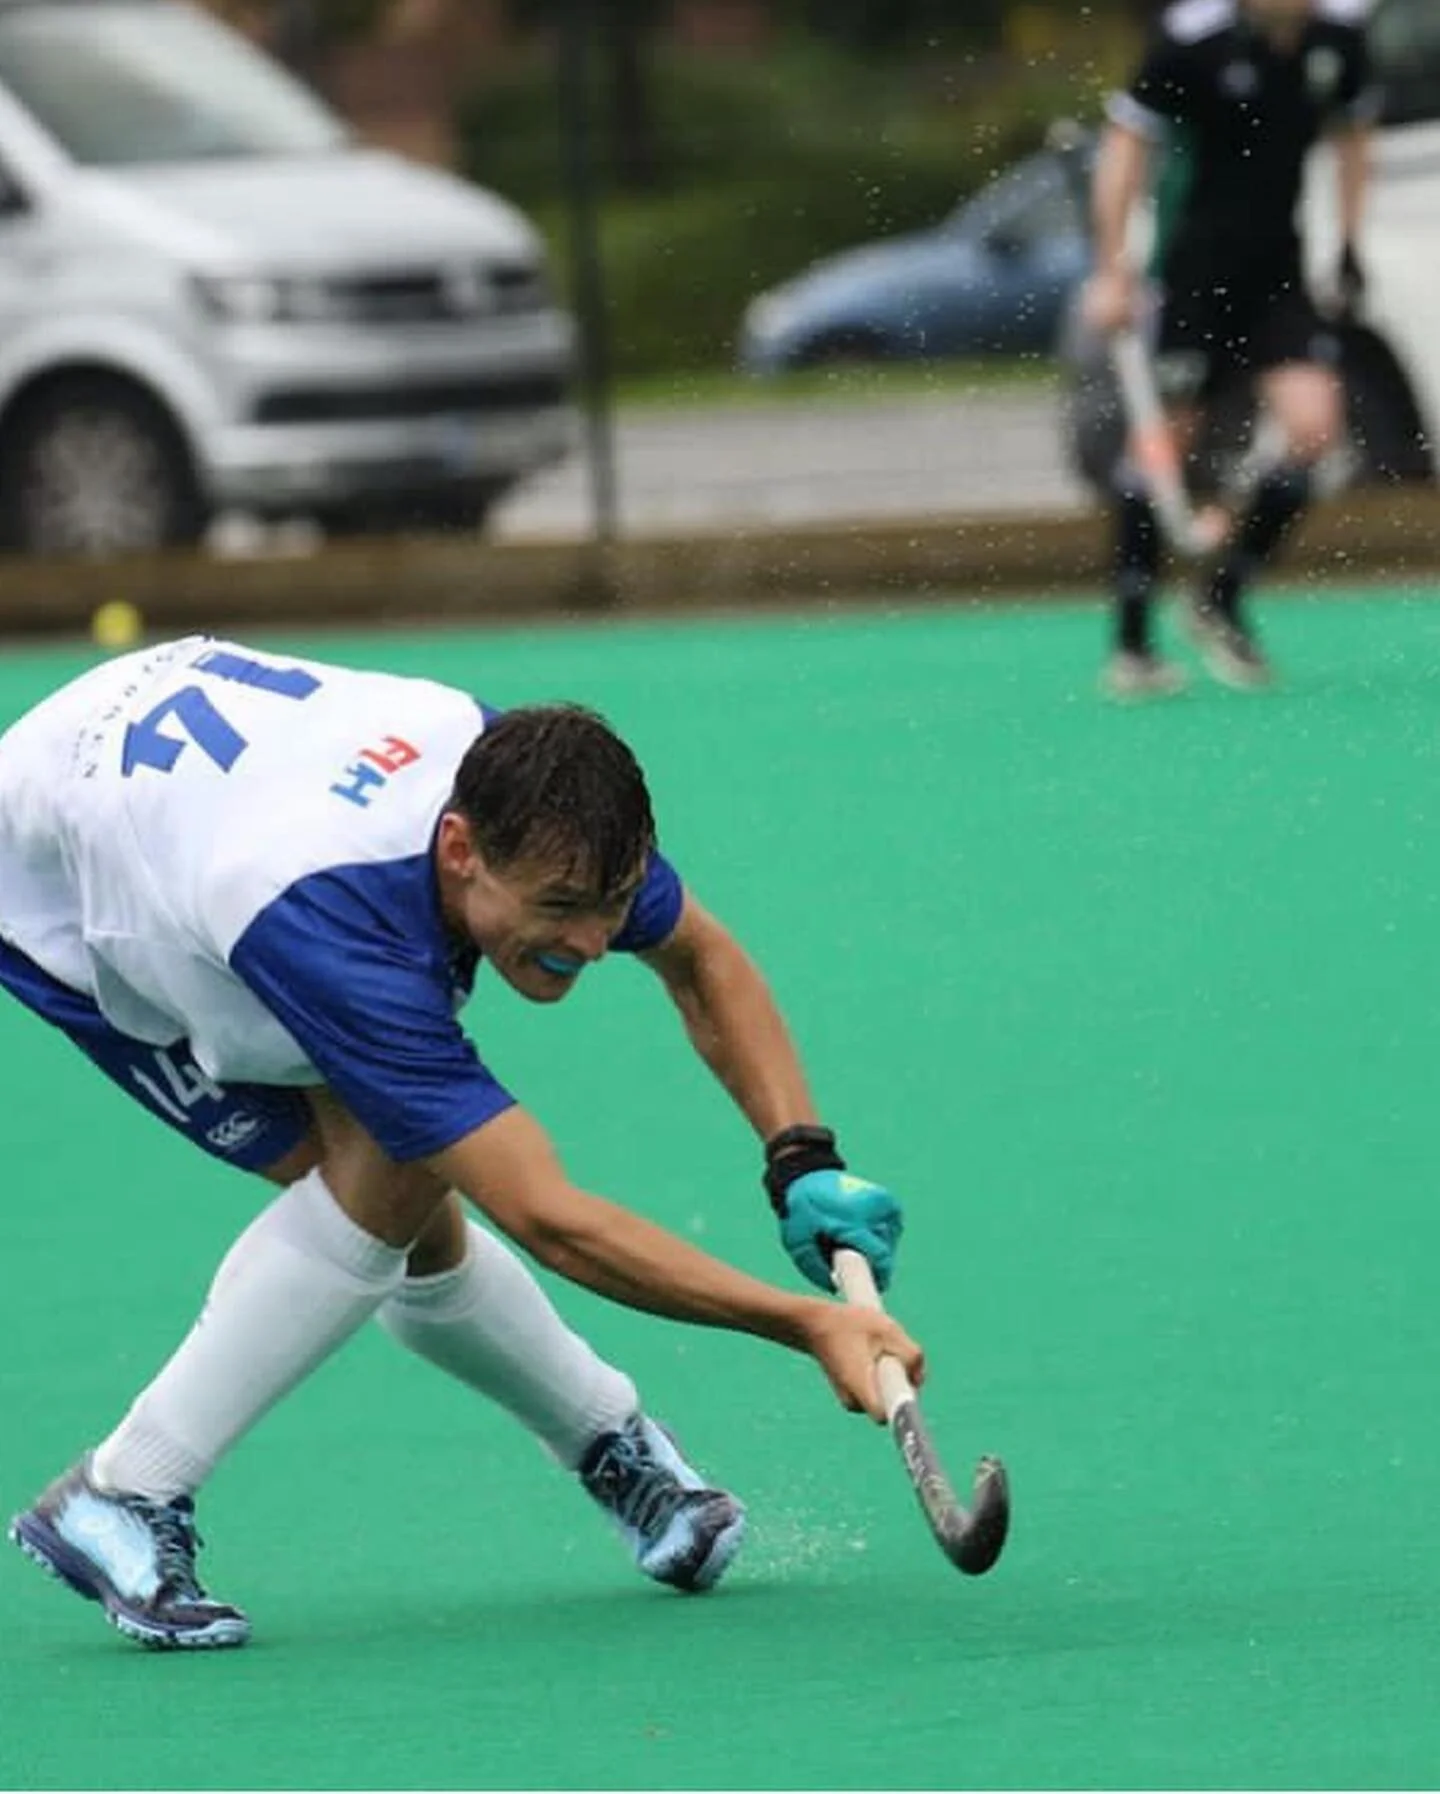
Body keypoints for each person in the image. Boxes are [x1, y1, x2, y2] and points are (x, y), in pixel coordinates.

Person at [0, 634, 916, 1650]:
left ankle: (611, 1447)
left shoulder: (551, 809)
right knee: (381, 1179)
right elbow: (550, 1221)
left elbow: (698, 958)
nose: (590, 943)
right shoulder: (325, 922)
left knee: (392, 1193)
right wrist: (806, 1325)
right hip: (70, 883)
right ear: (459, 852)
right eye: (560, 911)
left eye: (612, 906)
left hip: (202, 778)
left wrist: (802, 1158)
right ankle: (122, 1492)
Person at [1084, 0, 1376, 699]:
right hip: (1192, 276)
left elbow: (1353, 135)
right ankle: (1132, 643)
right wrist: (1113, 268)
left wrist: (1349, 242)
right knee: (1164, 448)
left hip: (1278, 273)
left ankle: (1220, 595)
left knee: (1313, 430)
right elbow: (1126, 148)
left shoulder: (1336, 42)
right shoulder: (1193, 43)